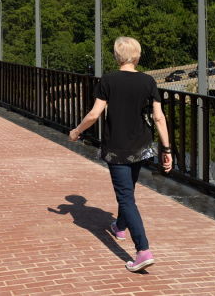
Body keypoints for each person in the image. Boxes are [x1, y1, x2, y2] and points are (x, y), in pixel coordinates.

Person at [69, 36, 172, 273]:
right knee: (128, 191)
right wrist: (166, 150)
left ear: (117, 56)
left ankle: (143, 250)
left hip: (117, 147)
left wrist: (76, 131)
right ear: (137, 56)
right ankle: (120, 226)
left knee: (126, 197)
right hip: (141, 147)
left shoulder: (108, 80)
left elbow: (94, 115)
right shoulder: (148, 81)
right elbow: (158, 117)